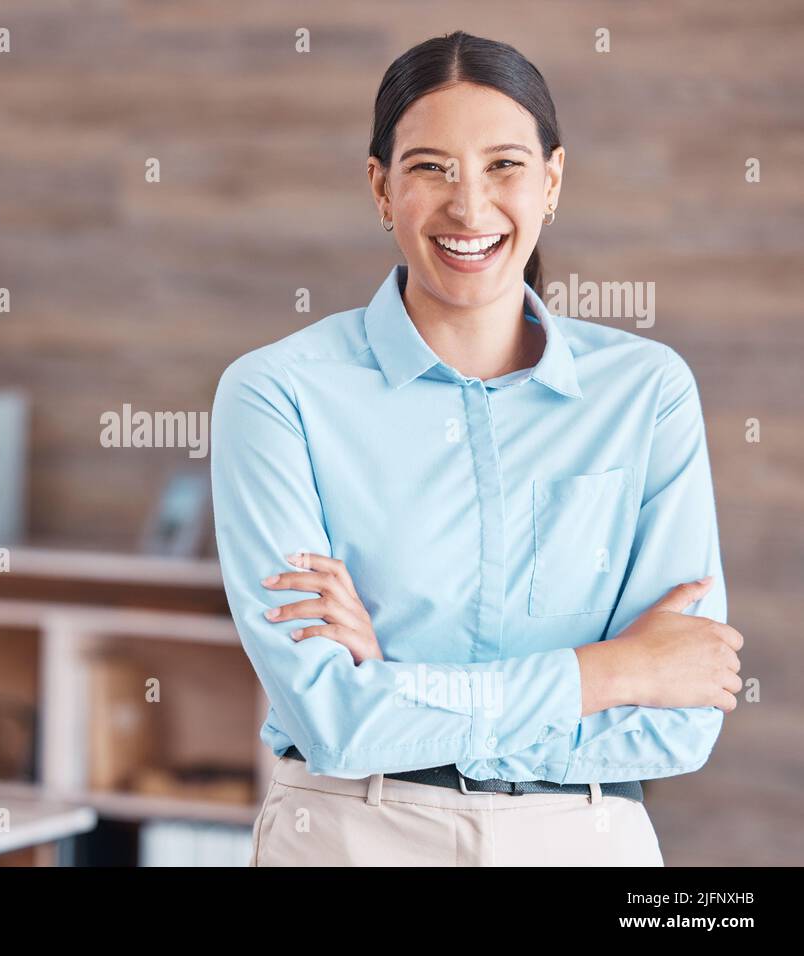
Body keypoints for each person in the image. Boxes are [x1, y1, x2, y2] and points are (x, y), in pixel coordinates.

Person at [209, 31, 744, 866]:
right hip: (355, 837)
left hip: (585, 841)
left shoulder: (647, 392)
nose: (469, 206)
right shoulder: (278, 394)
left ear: (552, 181)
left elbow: (679, 720)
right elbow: (335, 721)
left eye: (503, 165)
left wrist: (403, 696)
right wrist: (612, 671)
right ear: (381, 188)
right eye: (430, 167)